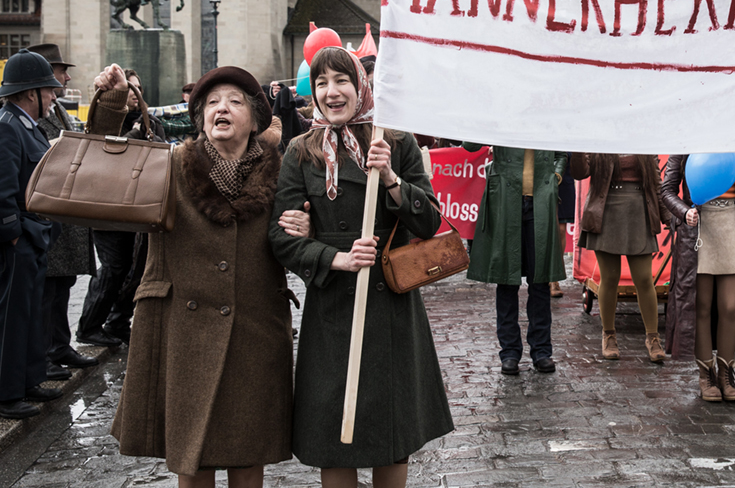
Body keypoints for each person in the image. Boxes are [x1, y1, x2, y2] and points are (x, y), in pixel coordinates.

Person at [90, 63, 298, 488]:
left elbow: (295, 246)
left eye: (235, 101)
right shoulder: (169, 166)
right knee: (193, 458)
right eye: (212, 103)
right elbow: (103, 166)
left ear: (255, 120)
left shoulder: (282, 175)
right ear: (199, 116)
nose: (222, 108)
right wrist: (112, 102)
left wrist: (304, 230)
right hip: (180, 330)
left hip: (254, 331)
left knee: (247, 456)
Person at [271, 47, 453, 487]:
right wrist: (335, 257)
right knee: (333, 430)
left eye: (341, 81)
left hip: (389, 308)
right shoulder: (299, 151)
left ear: (361, 86)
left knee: (390, 429)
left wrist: (391, 179)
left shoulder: (395, 140)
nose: (331, 93)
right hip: (332, 309)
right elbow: (280, 237)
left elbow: (429, 220)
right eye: (321, 84)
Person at [660, 154, 735, 402]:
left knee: (730, 307)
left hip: (731, 225)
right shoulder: (685, 144)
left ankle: (726, 374)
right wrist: (684, 212)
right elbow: (666, 191)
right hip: (698, 227)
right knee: (701, 307)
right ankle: (706, 374)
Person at [76, 69, 165, 347]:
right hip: (108, 209)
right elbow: (103, 151)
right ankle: (89, 325)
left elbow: (162, 152)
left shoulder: (150, 122)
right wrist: (134, 134)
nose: (133, 93)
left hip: (138, 208)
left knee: (135, 268)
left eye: (136, 88)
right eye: (128, 88)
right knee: (114, 267)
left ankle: (117, 322)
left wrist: (145, 132)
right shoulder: (110, 119)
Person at [27, 44, 98, 380]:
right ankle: (44, 355)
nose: (66, 77)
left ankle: (60, 345)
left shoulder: (57, 109)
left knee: (62, 286)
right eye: (60, 70)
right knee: (46, 292)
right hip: (47, 213)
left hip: (63, 215)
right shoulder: (28, 116)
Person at [465, 144, 567, 375]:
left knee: (540, 281)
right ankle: (509, 352)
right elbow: (469, 145)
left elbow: (560, 152)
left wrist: (556, 176)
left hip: (540, 200)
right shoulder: (502, 113)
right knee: (507, 280)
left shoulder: (547, 116)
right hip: (505, 200)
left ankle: (542, 351)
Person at [0, 50, 64, 419]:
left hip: (33, 236)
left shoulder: (25, 125)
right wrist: (12, 235)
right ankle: (7, 393)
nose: (54, 97)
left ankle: (28, 380)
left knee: (28, 314)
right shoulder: (8, 125)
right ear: (30, 94)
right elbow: (3, 187)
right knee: (11, 317)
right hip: (18, 239)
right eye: (48, 91)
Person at [571, 153, 666, 362]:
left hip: (639, 209)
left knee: (644, 279)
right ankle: (609, 335)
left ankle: (653, 338)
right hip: (605, 210)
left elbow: (656, 181)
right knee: (610, 278)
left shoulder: (642, 137)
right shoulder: (598, 137)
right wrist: (576, 147)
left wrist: (667, 214)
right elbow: (580, 173)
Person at [550, 155, 576, 299]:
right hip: (542, 178)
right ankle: (543, 274)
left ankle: (555, 279)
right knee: (543, 229)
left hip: (565, 179)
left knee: (560, 230)